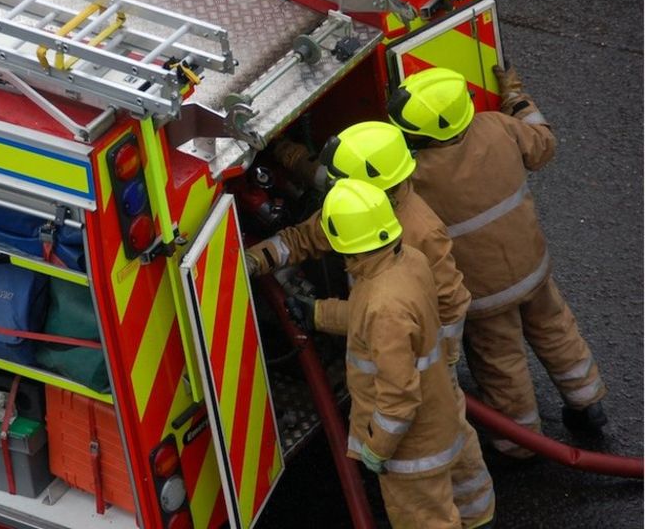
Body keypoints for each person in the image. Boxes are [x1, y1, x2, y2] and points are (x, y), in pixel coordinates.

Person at [247, 121, 494, 527]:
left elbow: (397, 388)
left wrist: (378, 447)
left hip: (410, 442)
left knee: (423, 512)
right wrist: (308, 305)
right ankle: (480, 515)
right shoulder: (398, 249)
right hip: (434, 398)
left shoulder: (409, 249)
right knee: (460, 451)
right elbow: (311, 243)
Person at [387, 66, 607, 457]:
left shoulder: (416, 177)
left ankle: (519, 445)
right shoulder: (498, 127)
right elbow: (544, 144)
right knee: (557, 330)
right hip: (533, 269)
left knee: (502, 364)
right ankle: (587, 403)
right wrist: (517, 97)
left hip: (484, 297)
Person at [320, 178, 466, 528]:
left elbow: (399, 397)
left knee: (426, 520)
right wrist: (317, 312)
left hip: (411, 450)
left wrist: (377, 448)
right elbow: (368, 319)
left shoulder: (382, 304)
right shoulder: (408, 262)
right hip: (438, 418)